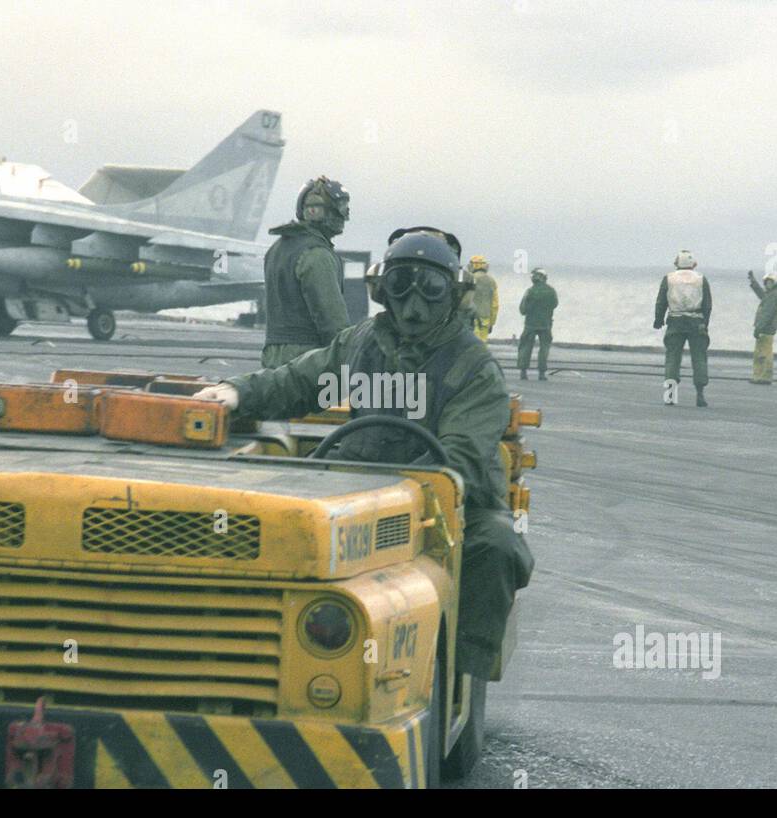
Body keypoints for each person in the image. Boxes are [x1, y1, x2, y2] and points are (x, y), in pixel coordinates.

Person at [195, 226, 533, 678]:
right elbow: (297, 380)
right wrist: (234, 393)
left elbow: (461, 461)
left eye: (431, 289)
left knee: (496, 546)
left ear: (452, 296)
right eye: (400, 285)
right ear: (382, 290)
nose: (413, 305)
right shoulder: (360, 344)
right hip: (358, 491)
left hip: (447, 508)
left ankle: (458, 675)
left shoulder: (473, 369)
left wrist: (394, 504)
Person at [259, 176, 352, 368]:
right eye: (341, 207)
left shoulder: (277, 249)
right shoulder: (317, 254)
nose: (344, 215)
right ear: (316, 210)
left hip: (273, 356)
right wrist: (348, 357)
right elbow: (332, 320)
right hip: (306, 359)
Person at [654, 249, 712, 407]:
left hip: (675, 321)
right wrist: (705, 323)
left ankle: (670, 395)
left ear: (676, 263)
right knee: (699, 358)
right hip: (696, 322)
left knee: (672, 358)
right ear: (694, 264)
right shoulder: (701, 279)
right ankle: (700, 394)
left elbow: (661, 302)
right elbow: (707, 305)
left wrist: (658, 320)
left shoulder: (669, 278)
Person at [517, 268, 558, 380]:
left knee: (525, 347)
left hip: (530, 324)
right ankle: (541, 373)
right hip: (546, 324)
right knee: (544, 348)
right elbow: (555, 304)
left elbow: (522, 310)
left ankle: (523, 371)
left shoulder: (530, 291)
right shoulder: (551, 291)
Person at [746, 271, 777, 384]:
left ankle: (764, 377)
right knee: (759, 354)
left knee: (764, 354)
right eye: (766, 282)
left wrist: (759, 328)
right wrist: (753, 281)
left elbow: (767, 314)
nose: (767, 284)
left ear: (774, 283)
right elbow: (761, 294)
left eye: (770, 282)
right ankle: (758, 376)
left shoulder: (774, 295)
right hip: (764, 329)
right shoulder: (771, 294)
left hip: (766, 329)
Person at [467, 254, 499, 342]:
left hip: (470, 319)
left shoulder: (469, 279)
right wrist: (492, 323)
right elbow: (495, 305)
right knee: (482, 345)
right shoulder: (491, 281)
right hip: (485, 319)